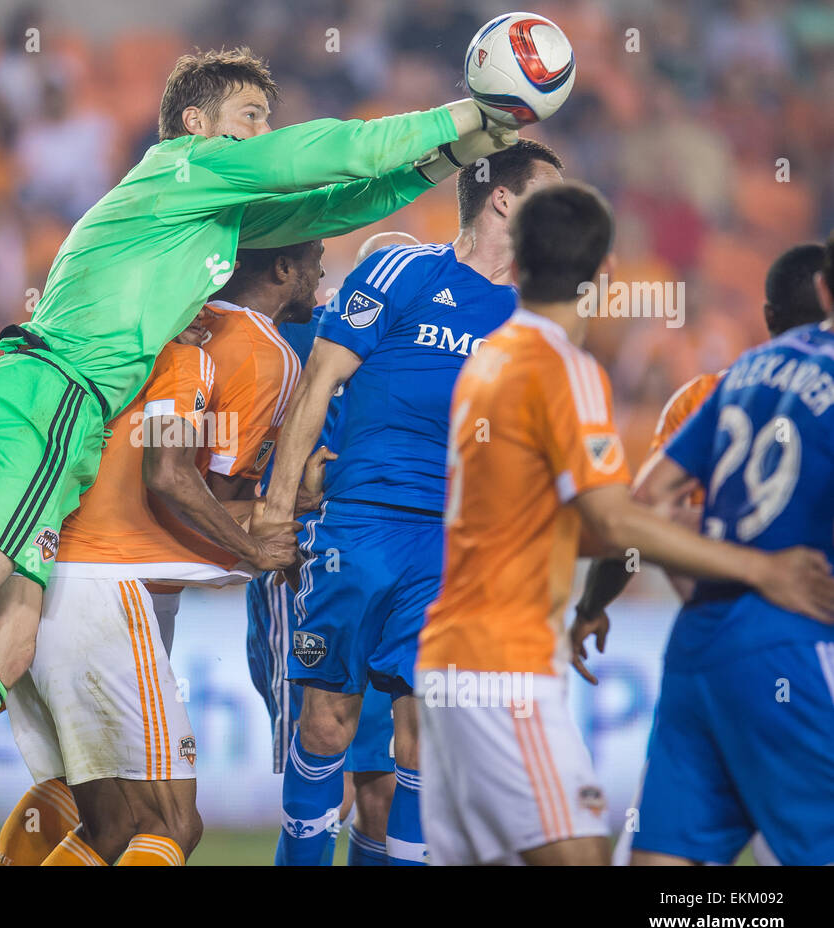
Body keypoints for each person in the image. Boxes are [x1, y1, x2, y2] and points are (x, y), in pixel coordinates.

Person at [0, 46, 520, 867]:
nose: (262, 134)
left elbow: (332, 206)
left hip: (33, 406)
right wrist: (463, 112)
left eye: (266, 120)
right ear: (195, 123)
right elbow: (325, 154)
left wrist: (466, 147)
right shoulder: (185, 167)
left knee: (4, 633)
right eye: (249, 117)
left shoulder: (207, 220)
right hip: (53, 396)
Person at [414, 183, 834, 865]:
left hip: (448, 658)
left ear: (515, 264)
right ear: (606, 273)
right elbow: (616, 518)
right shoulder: (564, 368)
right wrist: (760, 566)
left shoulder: (487, 360)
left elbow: (565, 519)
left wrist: (596, 591)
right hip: (506, 664)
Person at [0, 241, 329, 866]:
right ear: (281, 268)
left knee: (84, 804)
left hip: (43, 567)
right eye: (316, 255)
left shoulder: (146, 338)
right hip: (115, 588)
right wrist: (275, 523)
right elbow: (184, 487)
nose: (324, 271)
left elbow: (158, 471)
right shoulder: (254, 354)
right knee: (167, 822)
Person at [258, 140, 563, 866]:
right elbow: (319, 382)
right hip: (358, 529)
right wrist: (275, 509)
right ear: (502, 199)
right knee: (327, 723)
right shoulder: (402, 271)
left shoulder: (533, 316)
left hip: (455, 551)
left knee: (425, 735)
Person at [602, 237, 834, 866]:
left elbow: (646, 501)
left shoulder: (740, 377)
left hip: (700, 646)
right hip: (797, 643)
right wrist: (768, 567)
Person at [245, 231, 416, 867]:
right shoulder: (302, 335)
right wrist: (273, 505)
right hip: (305, 566)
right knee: (330, 773)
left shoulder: (420, 358)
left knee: (382, 786)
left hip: (387, 568)